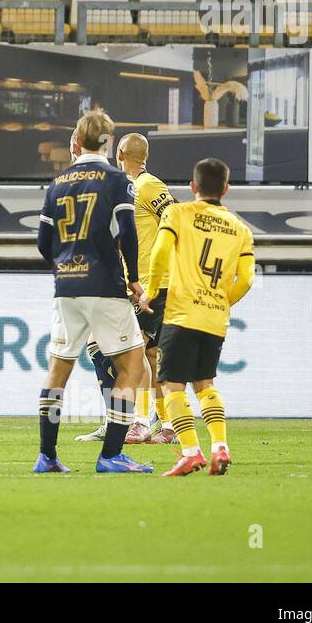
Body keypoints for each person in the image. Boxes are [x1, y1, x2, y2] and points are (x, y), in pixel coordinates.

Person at [35, 111, 153, 474]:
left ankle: (47, 456)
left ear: (76, 143)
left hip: (66, 286)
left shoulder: (57, 184)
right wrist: (133, 278)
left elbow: (43, 244)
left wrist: (67, 264)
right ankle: (112, 455)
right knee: (133, 365)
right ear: (109, 143)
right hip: (104, 283)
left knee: (58, 369)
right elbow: (128, 232)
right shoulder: (117, 179)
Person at [147, 158, 254, 477]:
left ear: (193, 187)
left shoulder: (177, 213)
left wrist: (151, 291)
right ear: (225, 189)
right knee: (205, 384)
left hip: (181, 313)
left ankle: (192, 452)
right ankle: (220, 446)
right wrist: (222, 303)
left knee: (170, 385)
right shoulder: (241, 229)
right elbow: (246, 279)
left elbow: (160, 252)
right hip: (215, 317)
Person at [116, 133, 177, 445]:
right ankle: (168, 424)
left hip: (153, 285)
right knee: (151, 356)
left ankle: (139, 422)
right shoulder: (129, 188)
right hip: (138, 283)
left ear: (122, 153)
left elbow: (175, 218)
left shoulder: (148, 185)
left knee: (136, 352)